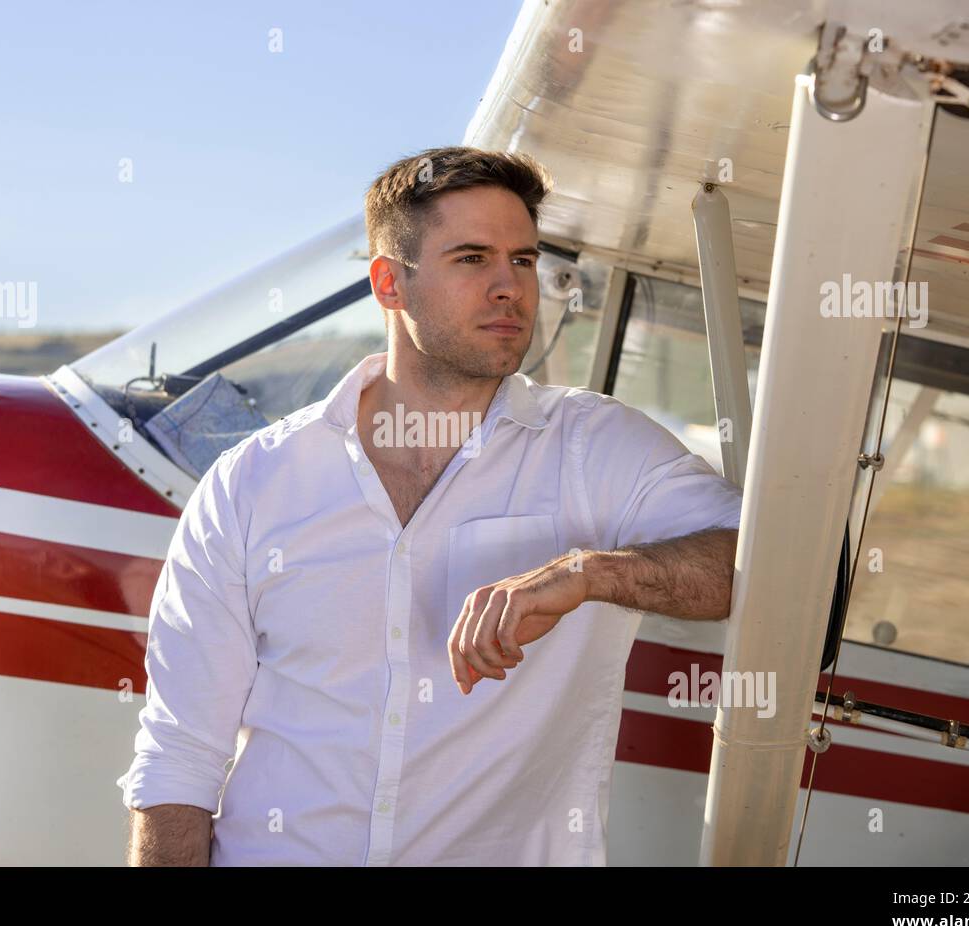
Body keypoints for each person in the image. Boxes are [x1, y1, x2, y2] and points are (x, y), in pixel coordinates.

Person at [119, 146, 743, 866]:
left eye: (524, 259)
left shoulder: (595, 449)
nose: (511, 287)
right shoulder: (250, 485)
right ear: (390, 283)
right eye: (473, 258)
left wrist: (586, 574)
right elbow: (180, 757)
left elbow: (767, 569)